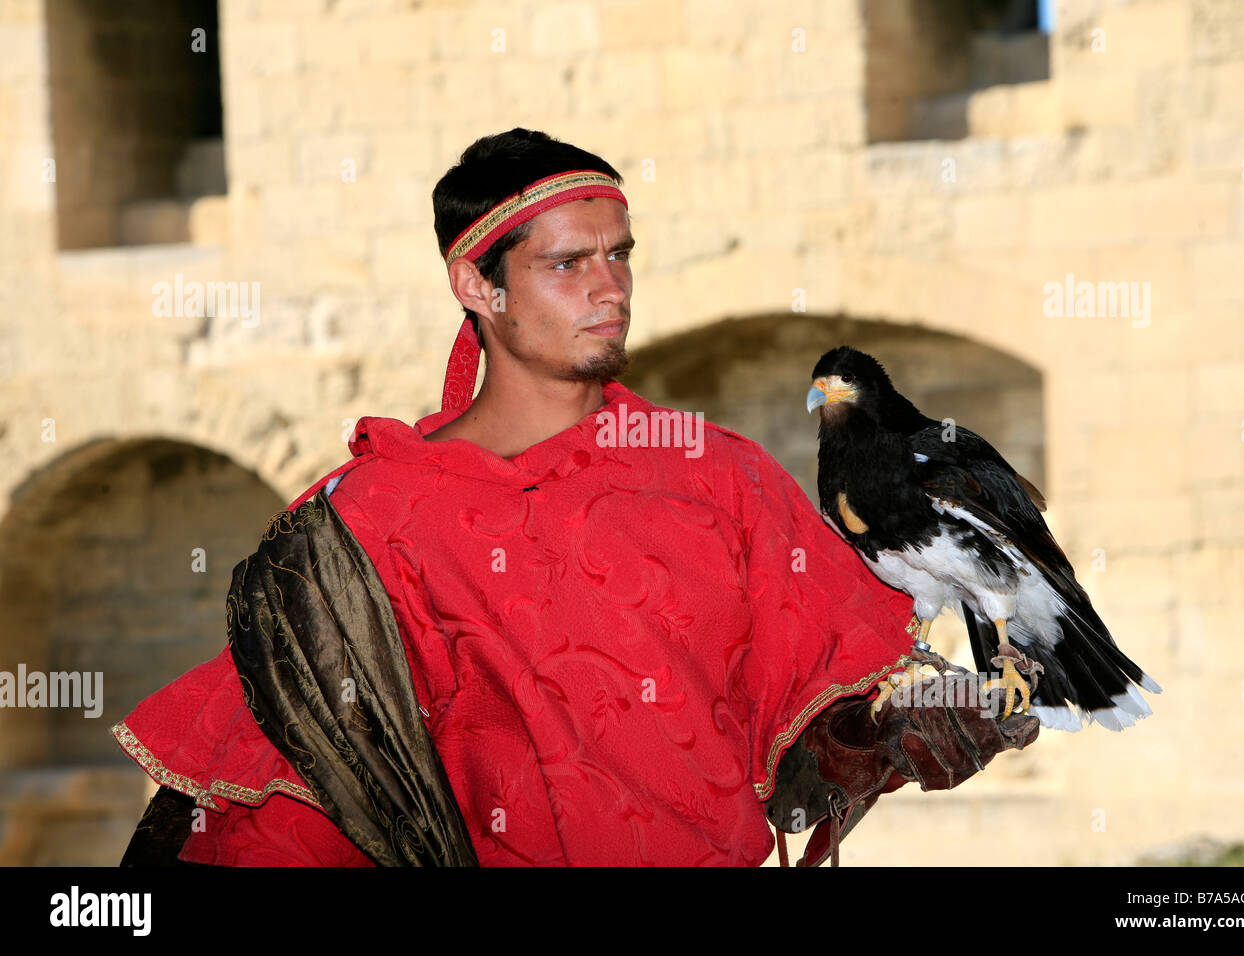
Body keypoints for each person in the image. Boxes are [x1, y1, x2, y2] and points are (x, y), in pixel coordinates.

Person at [112, 128, 1037, 867]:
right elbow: (280, 788)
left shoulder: (721, 475)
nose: (611, 289)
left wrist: (889, 734)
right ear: (477, 284)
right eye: (567, 266)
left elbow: (801, 738)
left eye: (620, 255)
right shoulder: (368, 522)